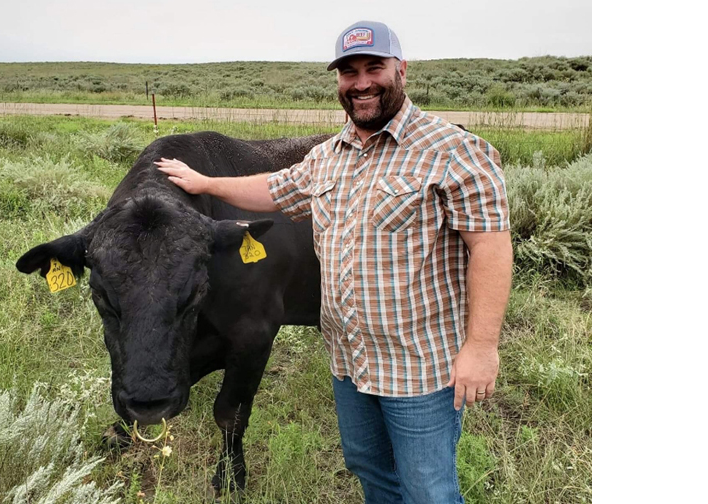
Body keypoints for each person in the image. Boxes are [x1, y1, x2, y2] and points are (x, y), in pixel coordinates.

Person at [156, 20, 512, 504]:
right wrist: (206, 183)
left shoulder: (453, 150)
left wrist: (482, 347)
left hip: (420, 368)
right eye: (349, 72)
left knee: (428, 487)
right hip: (349, 362)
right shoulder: (328, 156)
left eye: (374, 68)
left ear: (402, 70)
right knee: (369, 468)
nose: (361, 83)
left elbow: (490, 247)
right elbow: (273, 190)